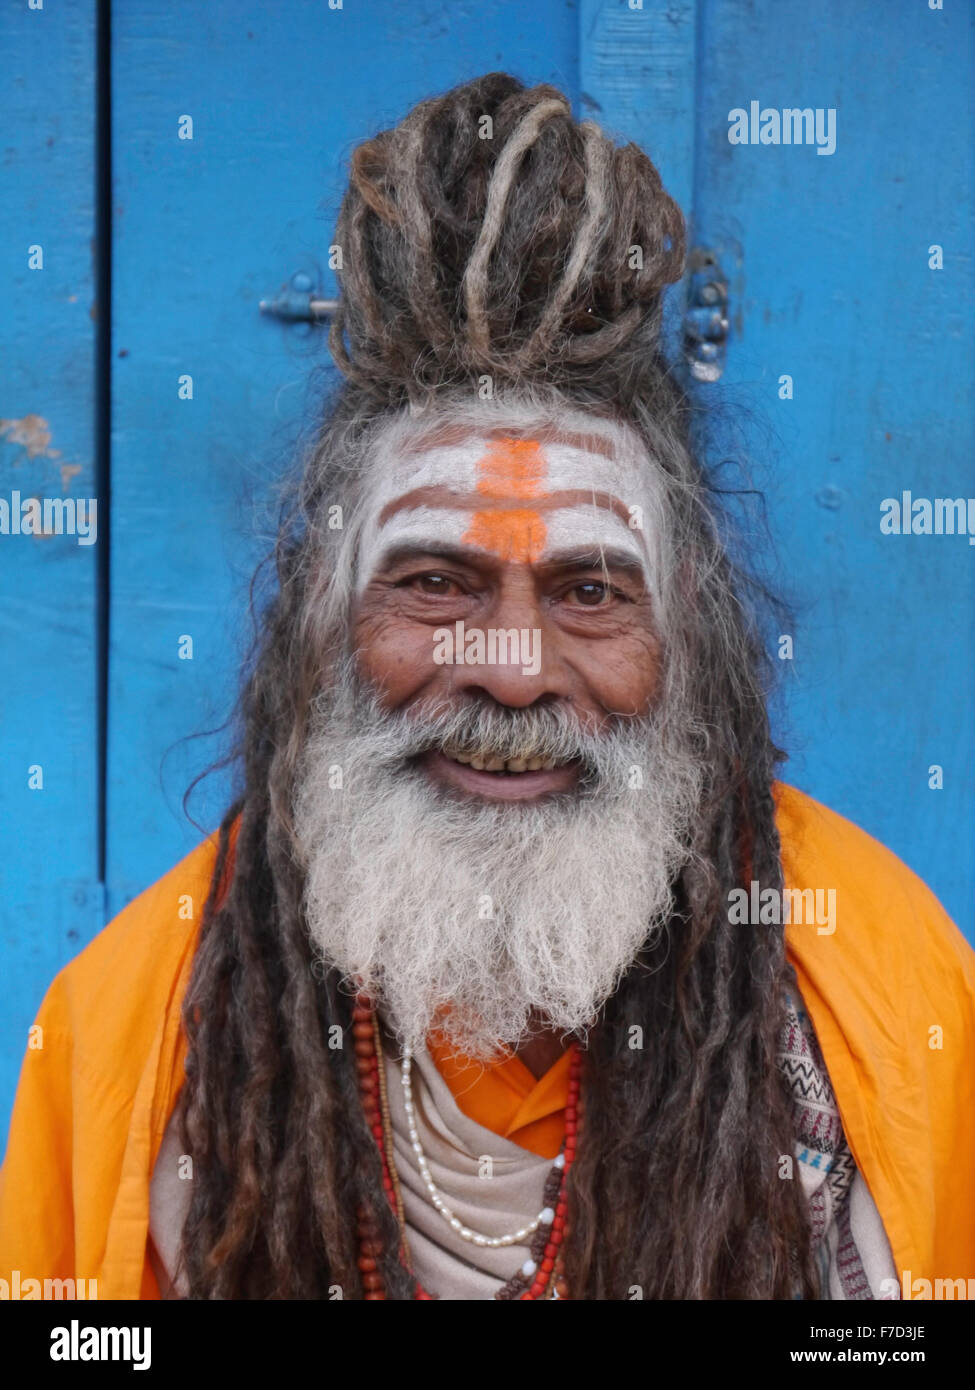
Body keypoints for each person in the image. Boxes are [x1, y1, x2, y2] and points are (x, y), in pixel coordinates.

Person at [1, 72, 973, 1302]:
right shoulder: (133, 1023)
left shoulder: (889, 982)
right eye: (436, 583)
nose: (512, 672)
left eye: (589, 593)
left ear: (692, 647)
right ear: (322, 628)